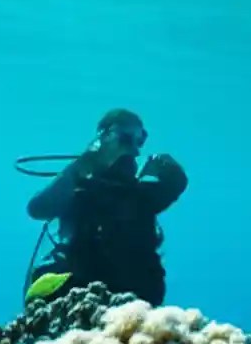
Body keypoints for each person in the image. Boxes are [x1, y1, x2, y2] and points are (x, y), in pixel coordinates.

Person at [26, 108, 187, 305]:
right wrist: (82, 165)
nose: (135, 150)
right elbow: (37, 208)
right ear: (104, 137)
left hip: (135, 303)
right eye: (126, 139)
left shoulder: (139, 197)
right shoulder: (77, 190)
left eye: (140, 140)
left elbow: (175, 185)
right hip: (79, 298)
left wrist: (168, 167)